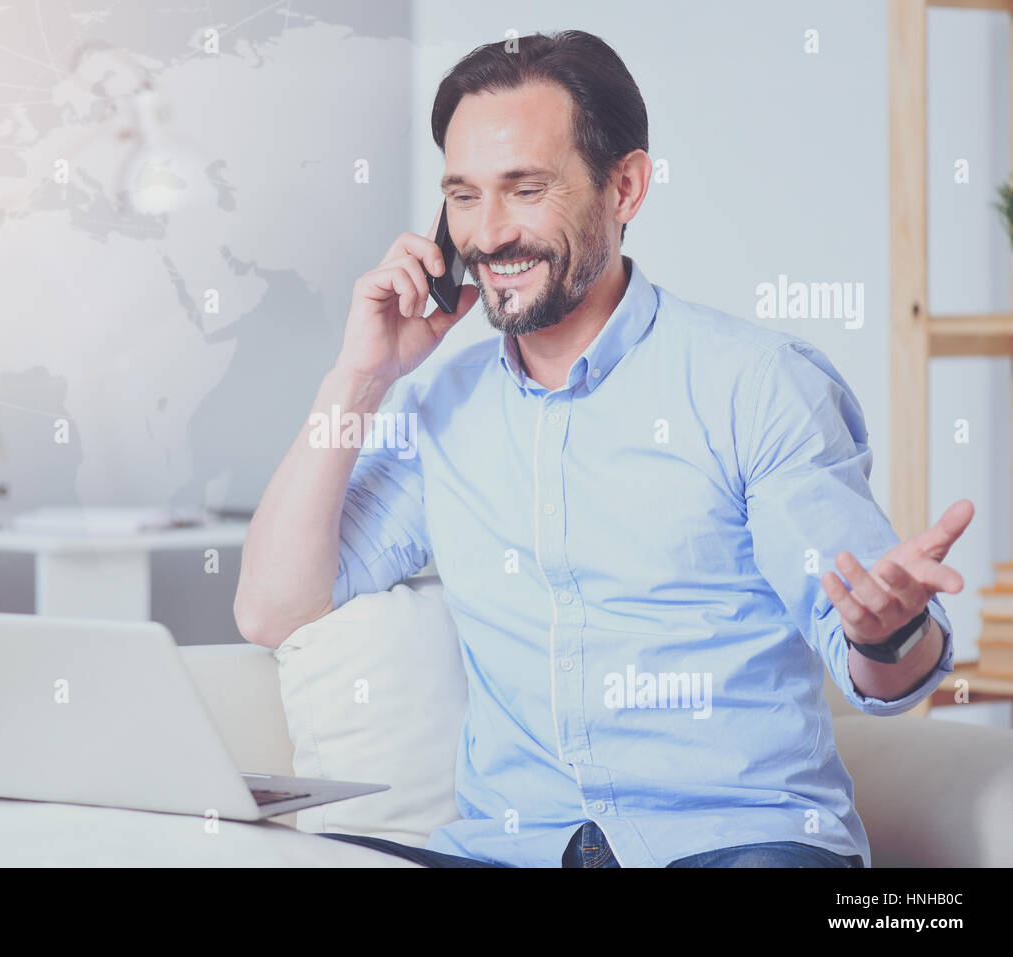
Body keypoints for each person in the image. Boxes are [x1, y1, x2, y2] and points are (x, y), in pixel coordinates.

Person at [233, 30, 973, 868]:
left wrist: (884, 631)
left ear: (624, 187)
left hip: (735, 843)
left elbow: (883, 668)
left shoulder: (755, 385)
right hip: (508, 849)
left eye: (525, 189)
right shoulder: (442, 405)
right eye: (465, 197)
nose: (488, 234)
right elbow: (273, 606)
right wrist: (360, 377)